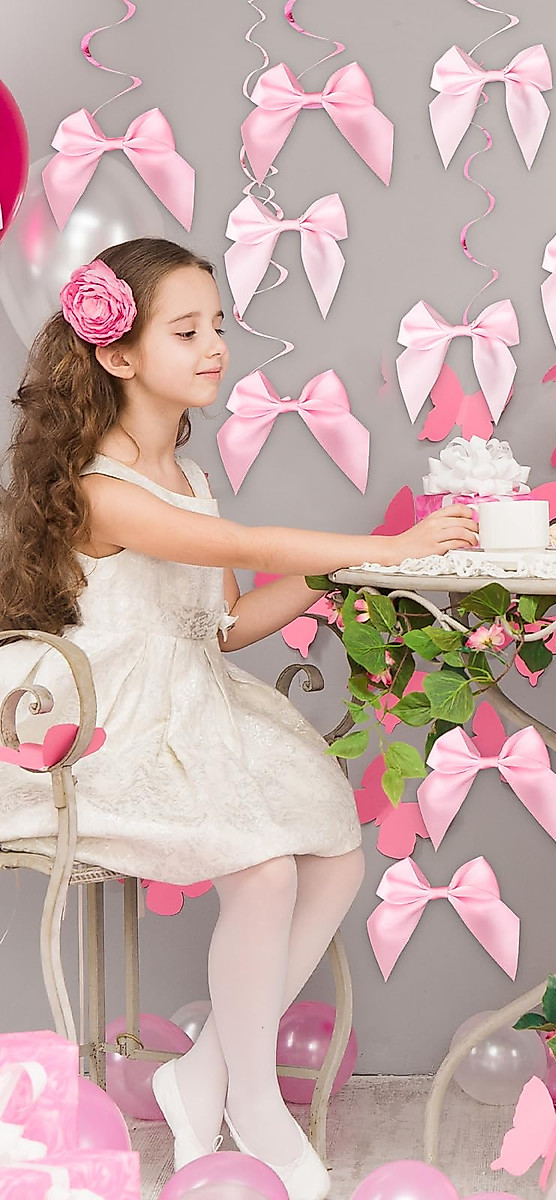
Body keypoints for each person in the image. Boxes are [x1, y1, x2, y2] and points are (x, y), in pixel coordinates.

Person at [0, 238, 477, 1199]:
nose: (216, 346)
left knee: (334, 854)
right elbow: (244, 543)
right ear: (116, 353)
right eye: (186, 331)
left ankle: (204, 1071)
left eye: (217, 325)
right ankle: (253, 1101)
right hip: (104, 723)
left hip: (191, 702)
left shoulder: (186, 475)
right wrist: (385, 545)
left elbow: (221, 628)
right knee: (262, 870)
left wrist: (342, 573)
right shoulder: (101, 488)